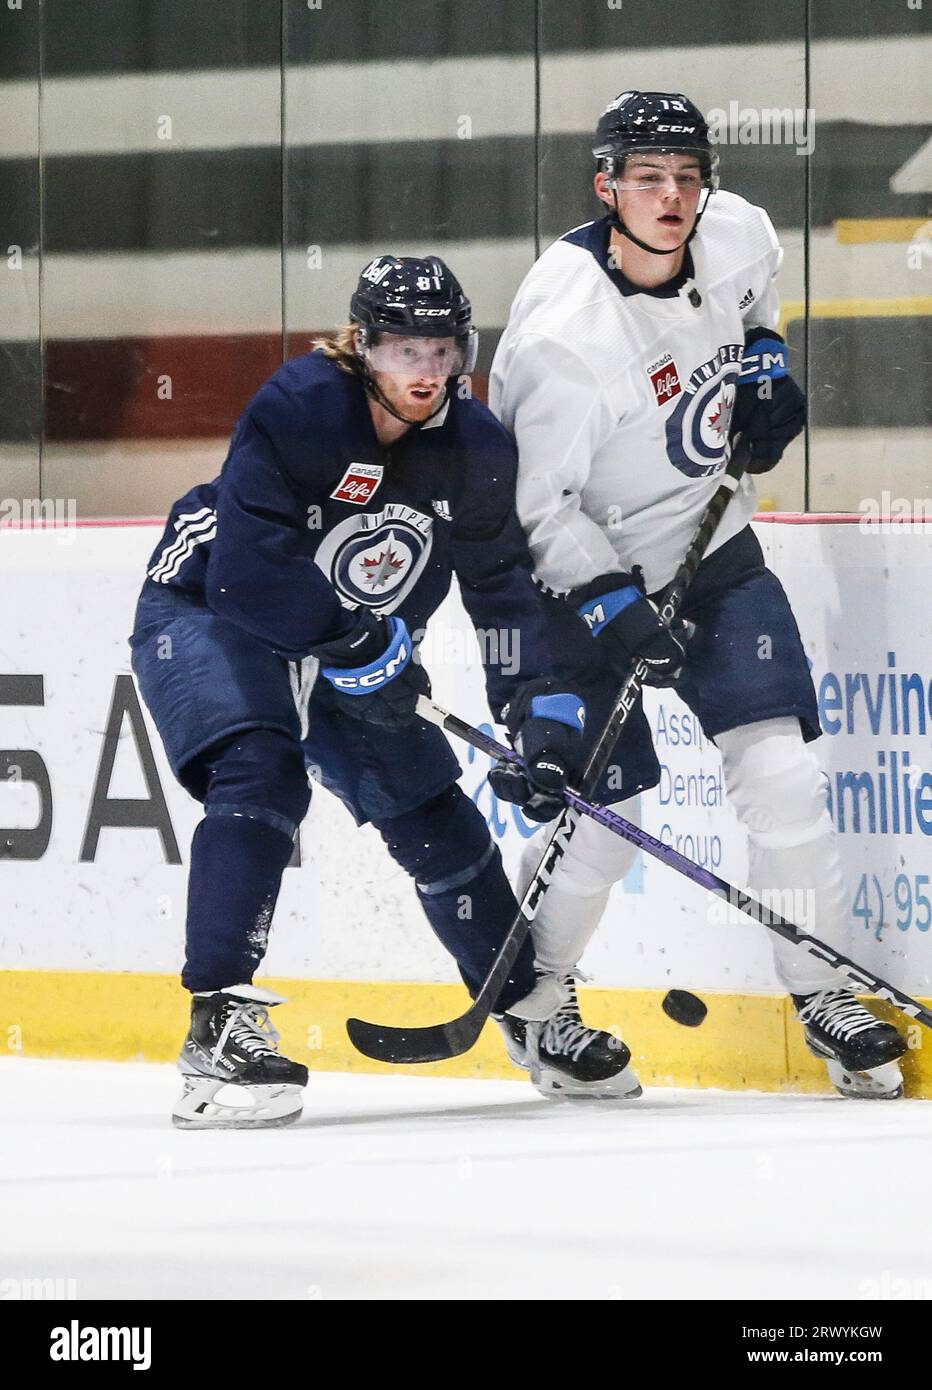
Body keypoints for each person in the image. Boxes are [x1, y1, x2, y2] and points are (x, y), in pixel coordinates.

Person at [130, 255, 639, 1129]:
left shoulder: (476, 448)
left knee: (435, 816)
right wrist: (355, 640)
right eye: (406, 350)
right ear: (362, 345)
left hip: (353, 639)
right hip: (211, 608)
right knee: (260, 773)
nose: (428, 370)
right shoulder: (300, 407)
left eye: (442, 350)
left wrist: (537, 711)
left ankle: (526, 1008)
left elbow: (502, 592)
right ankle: (217, 1026)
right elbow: (247, 574)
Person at [489, 90, 907, 1099]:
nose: (671, 197)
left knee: (784, 779)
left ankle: (821, 991)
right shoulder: (564, 337)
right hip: (584, 581)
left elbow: (756, 299)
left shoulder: (736, 232)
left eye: (686, 176)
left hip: (714, 554)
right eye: (647, 178)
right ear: (606, 188)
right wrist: (608, 601)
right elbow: (533, 505)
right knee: (604, 814)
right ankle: (536, 1003)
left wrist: (764, 363)